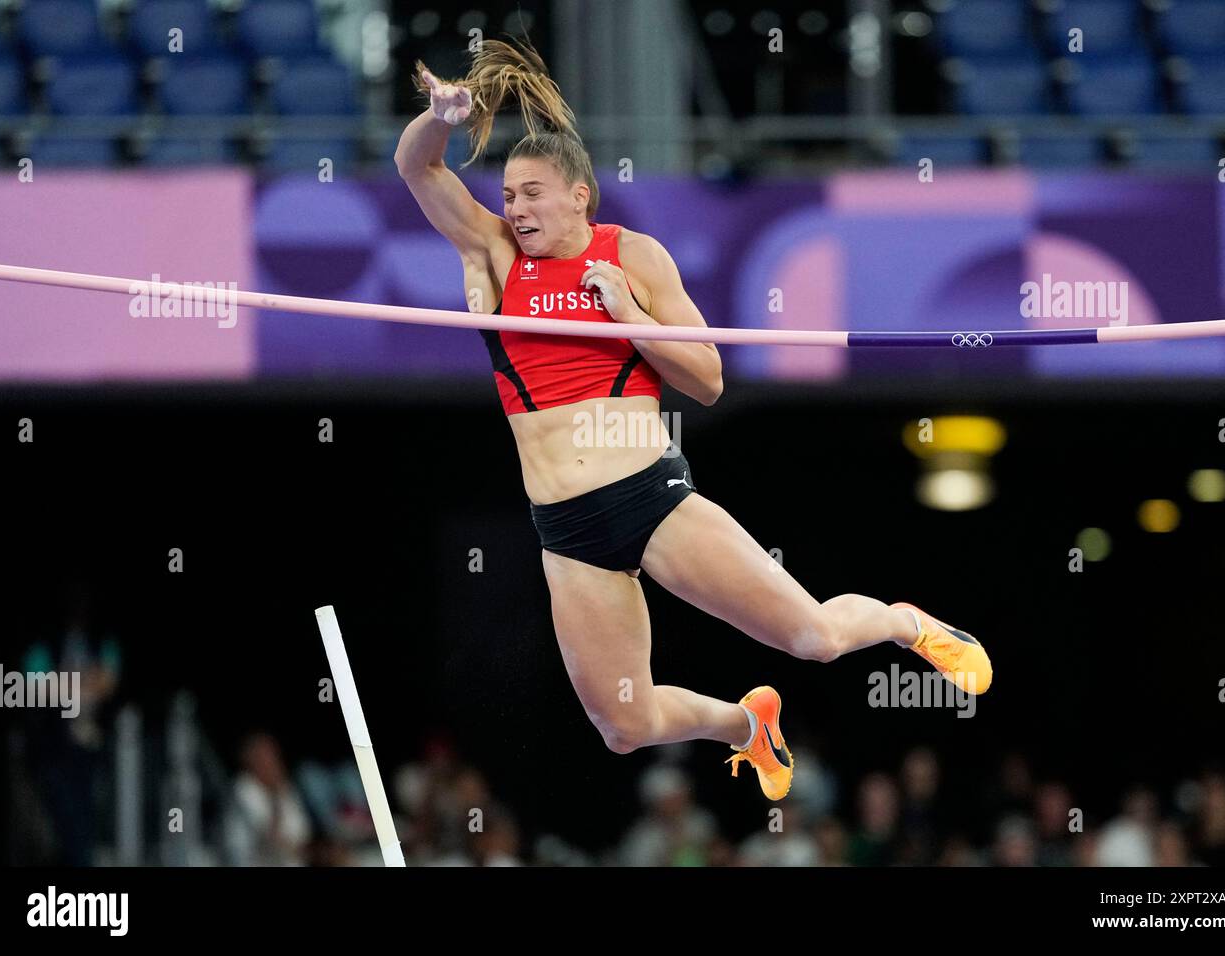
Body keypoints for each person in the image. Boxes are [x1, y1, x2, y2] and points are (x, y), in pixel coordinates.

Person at [394, 37, 992, 801]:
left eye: (532, 193)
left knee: (812, 638)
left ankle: (907, 624)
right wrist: (440, 117)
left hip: (649, 498)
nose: (515, 208)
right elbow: (418, 167)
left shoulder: (634, 256)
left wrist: (630, 316)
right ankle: (747, 726)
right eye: (509, 194)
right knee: (624, 725)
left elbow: (707, 380)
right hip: (567, 532)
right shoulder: (493, 254)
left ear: (580, 195)